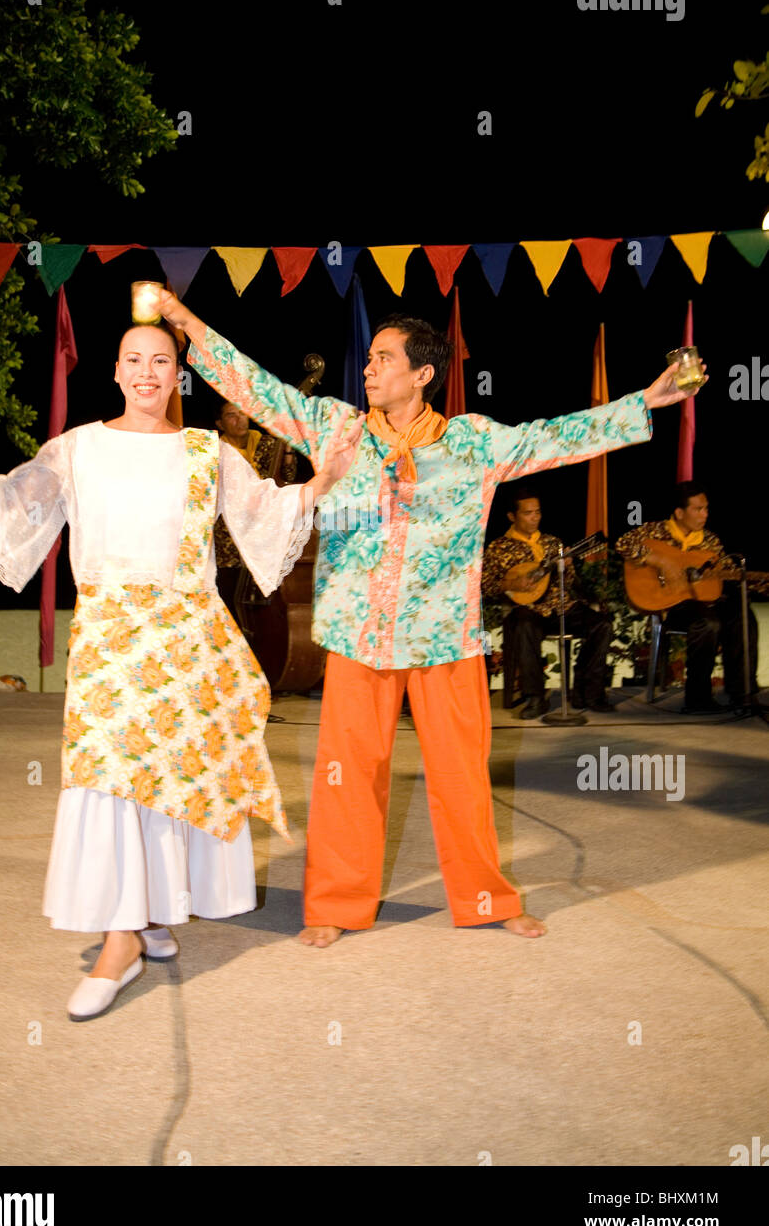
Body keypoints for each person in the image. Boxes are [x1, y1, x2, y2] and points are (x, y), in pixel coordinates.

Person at [162, 290, 703, 946]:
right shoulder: (339, 429)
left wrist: (644, 402)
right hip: (358, 634)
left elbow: (555, 438)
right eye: (368, 358)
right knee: (346, 777)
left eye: (383, 359)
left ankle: (486, 898)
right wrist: (192, 327)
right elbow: (264, 393)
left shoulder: (472, 443)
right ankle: (336, 903)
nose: (367, 369)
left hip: (446, 635)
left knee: (462, 776)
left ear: (422, 374)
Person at [0, 320, 362, 1020]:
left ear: (177, 375)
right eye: (134, 360)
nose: (147, 372)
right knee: (107, 779)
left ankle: (151, 913)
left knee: (170, 781)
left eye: (161, 361)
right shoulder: (77, 448)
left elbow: (268, 509)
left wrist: (326, 477)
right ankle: (120, 940)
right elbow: (10, 509)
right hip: (110, 639)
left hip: (188, 640)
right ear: (115, 371)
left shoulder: (207, 451)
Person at [616, 481, 758, 712]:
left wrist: (737, 575)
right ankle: (697, 698)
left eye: (706, 508)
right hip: (672, 605)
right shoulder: (655, 531)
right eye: (698, 509)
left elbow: (720, 573)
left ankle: (743, 692)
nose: (705, 514)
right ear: (679, 512)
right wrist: (659, 560)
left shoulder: (710, 541)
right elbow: (623, 543)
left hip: (702, 601)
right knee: (707, 623)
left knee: (741, 614)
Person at [482, 486, 613, 717]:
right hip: (526, 609)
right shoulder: (498, 547)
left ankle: (587, 691)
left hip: (561, 607)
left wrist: (567, 569)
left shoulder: (553, 544)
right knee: (524, 626)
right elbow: (486, 585)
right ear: (512, 516)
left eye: (538, 512)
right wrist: (511, 585)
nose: (535, 518)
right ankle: (535, 698)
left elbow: (569, 583)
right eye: (528, 513)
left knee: (602, 624)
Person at [213, 399, 297, 625]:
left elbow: (287, 477)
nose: (239, 419)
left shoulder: (268, 444)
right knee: (230, 592)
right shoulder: (215, 452)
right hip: (228, 539)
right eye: (231, 415)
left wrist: (287, 447)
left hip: (265, 532)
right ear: (220, 423)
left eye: (242, 413)